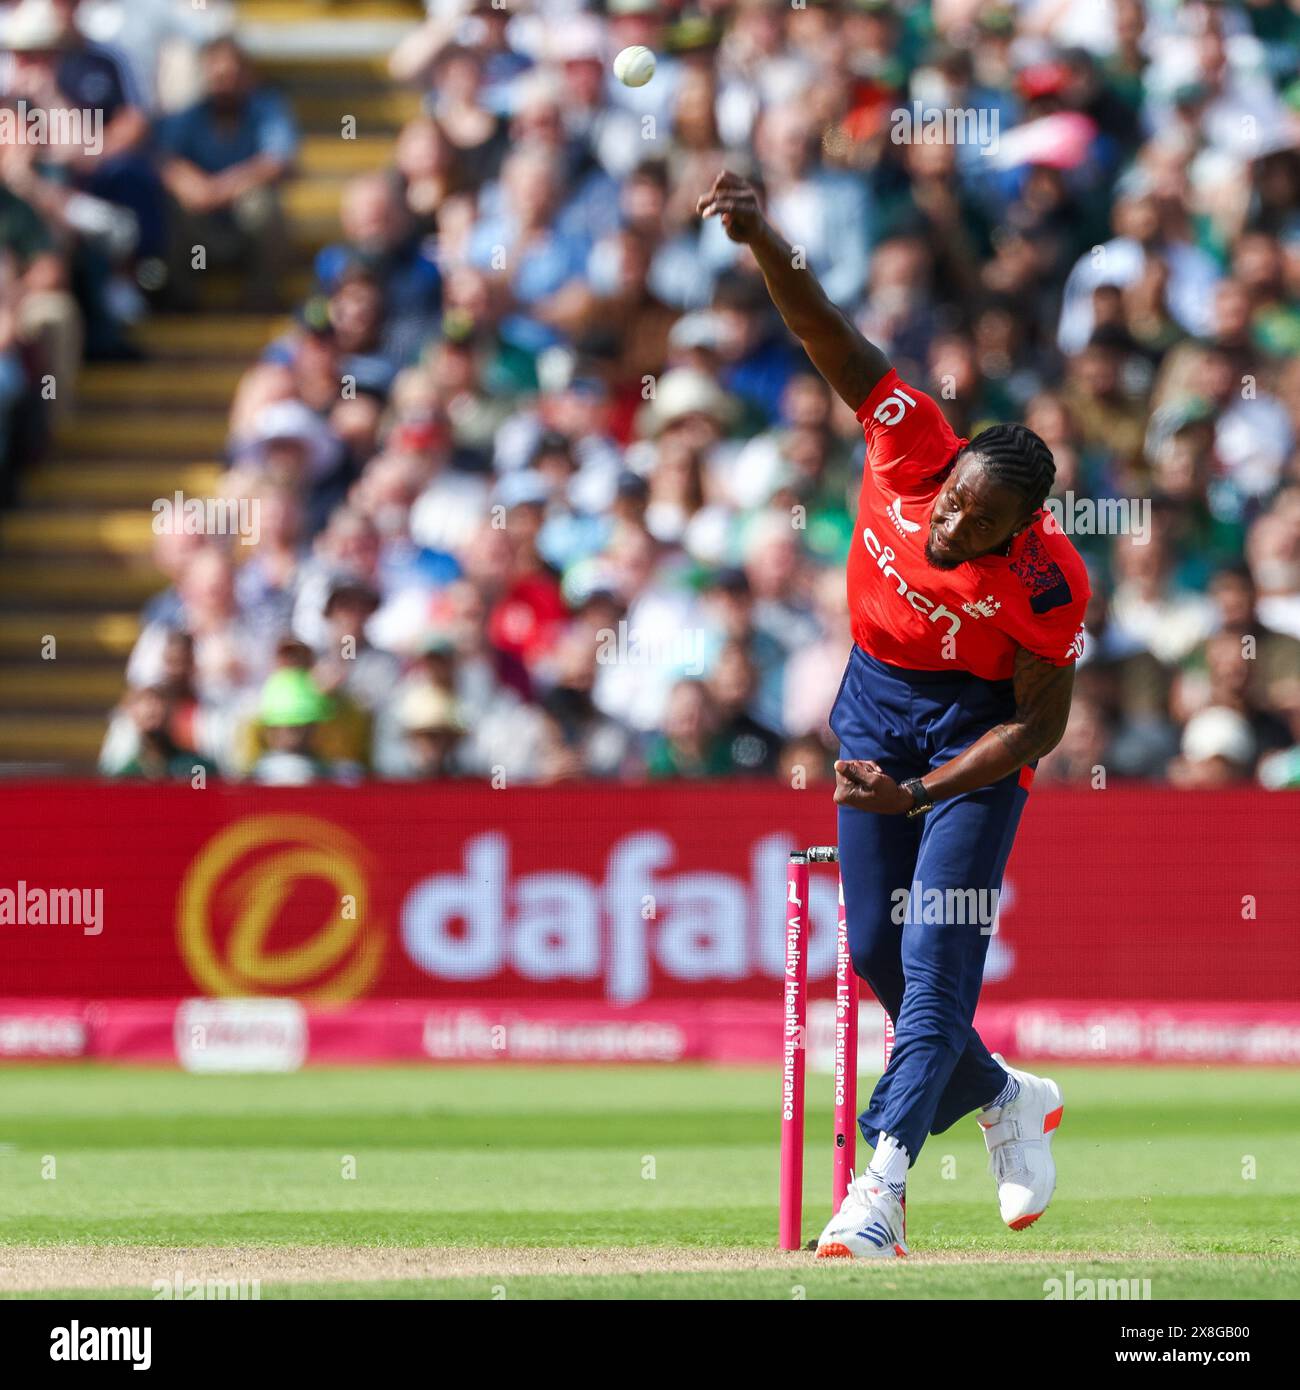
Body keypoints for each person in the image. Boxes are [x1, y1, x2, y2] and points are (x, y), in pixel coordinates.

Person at [698, 169, 1090, 1259]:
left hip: (973, 736)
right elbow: (822, 325)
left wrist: (923, 788)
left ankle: (880, 1188)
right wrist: (760, 235)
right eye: (956, 497)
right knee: (873, 944)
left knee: (933, 955)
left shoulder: (1045, 584)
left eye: (981, 522)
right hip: (873, 699)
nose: (951, 524)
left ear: (1022, 531)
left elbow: (1040, 730)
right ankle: (1004, 1094)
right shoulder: (911, 435)